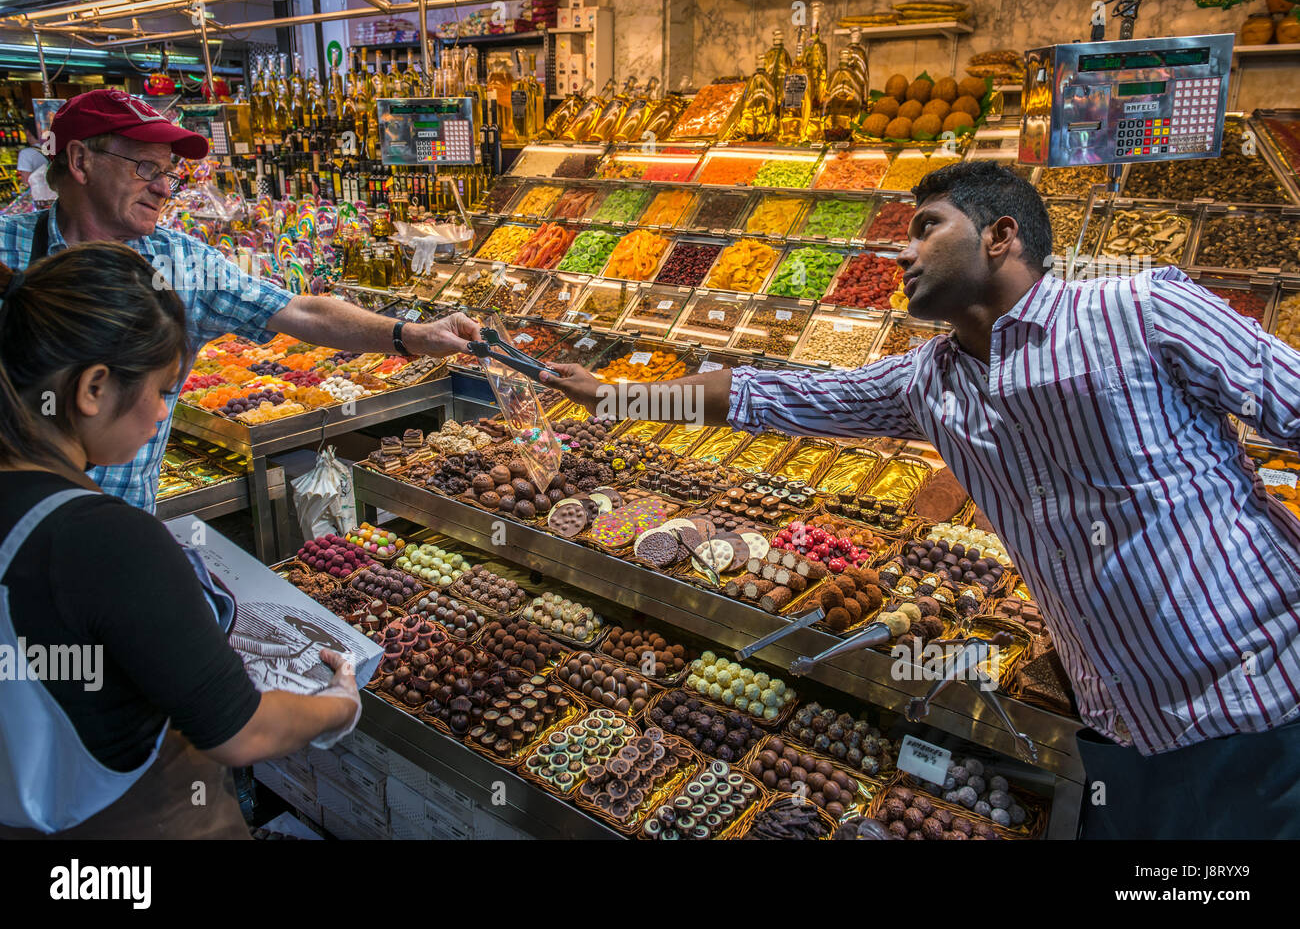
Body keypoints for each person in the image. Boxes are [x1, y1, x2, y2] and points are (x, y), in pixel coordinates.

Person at [543, 161, 1300, 839]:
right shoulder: (926, 380)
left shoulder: (1139, 310)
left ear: (1001, 235)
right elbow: (773, 396)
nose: (899, 252)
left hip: (1258, 701)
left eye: (926, 228)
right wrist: (618, 397)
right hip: (1120, 725)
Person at [0, 243, 361, 839]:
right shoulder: (103, 536)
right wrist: (339, 704)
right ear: (93, 388)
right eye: (164, 390)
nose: (161, 415)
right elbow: (241, 730)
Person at [0, 89, 480, 513]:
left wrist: (411, 335)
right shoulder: (7, 248)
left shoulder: (182, 260)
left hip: (119, 522)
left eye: (170, 174)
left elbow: (300, 310)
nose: (164, 188)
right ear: (81, 161)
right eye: (146, 167)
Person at [16, 118, 47, 187]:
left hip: (39, 195)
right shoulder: (51, 148)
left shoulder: (25, 154)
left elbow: (26, 181)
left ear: (27, 132)